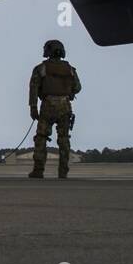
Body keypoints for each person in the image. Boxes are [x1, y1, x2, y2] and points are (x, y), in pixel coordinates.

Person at [28, 39, 81, 179]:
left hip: (48, 106)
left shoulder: (41, 68)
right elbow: (78, 87)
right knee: (64, 139)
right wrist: (68, 93)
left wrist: (33, 107)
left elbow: (33, 88)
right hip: (65, 107)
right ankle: (63, 172)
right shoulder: (70, 69)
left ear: (47, 51)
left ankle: (38, 171)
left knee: (41, 138)